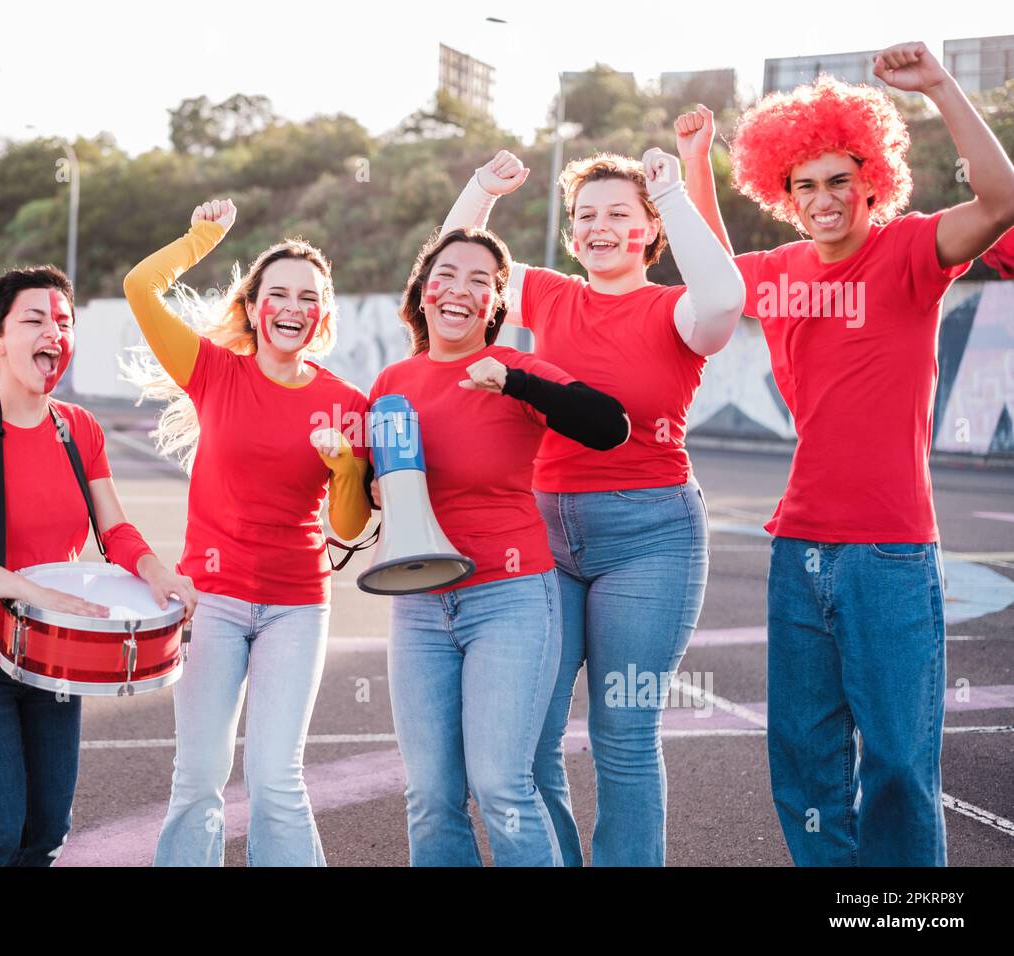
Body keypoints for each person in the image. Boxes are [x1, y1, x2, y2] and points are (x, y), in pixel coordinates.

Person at [678, 42, 1014, 866]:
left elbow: (1003, 201)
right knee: (805, 765)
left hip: (891, 551)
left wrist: (938, 85)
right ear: (784, 198)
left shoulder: (910, 254)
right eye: (806, 185)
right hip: (798, 549)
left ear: (873, 181)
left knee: (899, 762)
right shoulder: (782, 270)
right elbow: (712, 273)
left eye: (839, 180)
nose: (825, 199)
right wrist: (694, 160)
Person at [440, 146, 744, 865]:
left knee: (625, 734)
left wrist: (672, 191)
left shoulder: (678, 311)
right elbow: (454, 266)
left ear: (650, 230)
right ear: (572, 235)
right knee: (530, 742)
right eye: (586, 216)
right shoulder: (545, 294)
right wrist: (482, 190)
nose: (599, 226)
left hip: (652, 537)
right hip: (542, 534)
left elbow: (727, 298)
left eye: (619, 213)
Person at [0, 266, 196, 866]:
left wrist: (155, 571)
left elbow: (113, 528)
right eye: (36, 319)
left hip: (53, 655)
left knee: (45, 832)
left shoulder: (80, 429)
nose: (55, 332)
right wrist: (32, 592)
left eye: (64, 322)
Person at [369, 226, 629, 866]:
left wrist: (517, 385)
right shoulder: (391, 383)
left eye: (480, 281)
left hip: (510, 599)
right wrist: (368, 487)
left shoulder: (513, 369)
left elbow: (610, 426)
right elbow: (366, 505)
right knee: (430, 793)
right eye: (447, 275)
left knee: (502, 787)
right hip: (420, 604)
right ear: (423, 291)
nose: (460, 290)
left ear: (495, 304)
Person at [122, 199, 372, 866]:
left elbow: (350, 524)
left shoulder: (348, 402)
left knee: (275, 778)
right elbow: (139, 288)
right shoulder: (213, 371)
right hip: (212, 600)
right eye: (279, 293)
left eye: (309, 297)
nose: (293, 307)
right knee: (198, 778)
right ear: (254, 305)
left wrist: (346, 470)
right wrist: (199, 240)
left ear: (322, 314)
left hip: (297, 601)